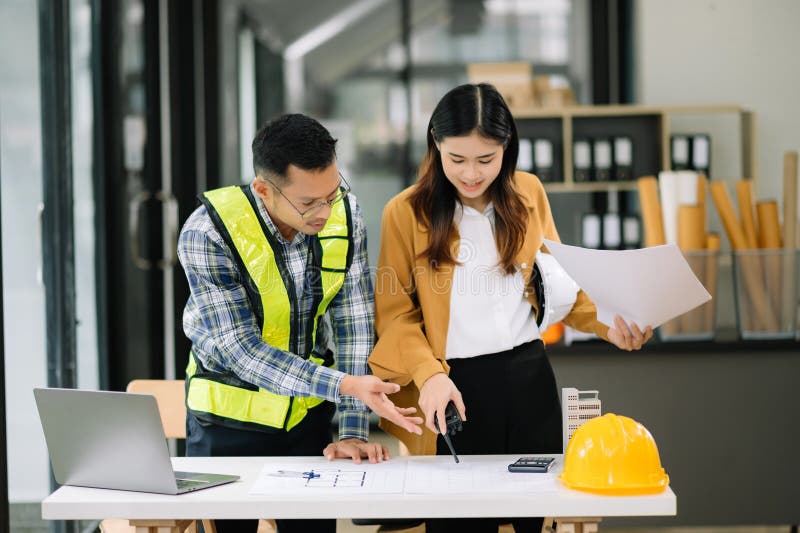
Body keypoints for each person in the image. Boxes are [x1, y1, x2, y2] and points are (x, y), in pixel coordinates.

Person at [369, 84, 653, 533]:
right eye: (456, 159)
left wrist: (610, 325)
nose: (470, 174)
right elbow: (395, 314)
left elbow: (560, 283)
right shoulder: (404, 213)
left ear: (507, 147)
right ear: (435, 145)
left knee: (533, 516)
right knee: (460, 522)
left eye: (486, 159)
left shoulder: (528, 193)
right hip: (452, 387)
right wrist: (430, 375)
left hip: (528, 380)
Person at [178, 113, 422, 533]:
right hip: (225, 427)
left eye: (332, 192)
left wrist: (351, 430)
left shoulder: (344, 212)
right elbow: (242, 351)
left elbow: (353, 323)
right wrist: (344, 385)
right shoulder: (208, 233)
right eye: (308, 203)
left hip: (306, 424)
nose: (325, 211)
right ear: (263, 190)